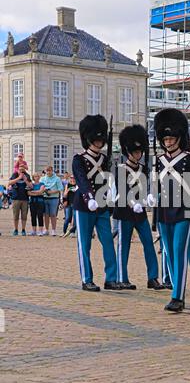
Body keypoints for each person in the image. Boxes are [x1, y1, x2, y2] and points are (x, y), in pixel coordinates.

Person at [152, 108, 190, 312]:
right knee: (169, 253)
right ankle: (176, 291)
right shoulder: (158, 161)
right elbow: (154, 184)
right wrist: (150, 195)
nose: (168, 142)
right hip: (163, 211)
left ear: (179, 138)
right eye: (166, 139)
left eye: (172, 138)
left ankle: (177, 296)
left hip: (184, 210)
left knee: (179, 251)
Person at [72, 114, 120, 292]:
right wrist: (89, 197)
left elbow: (106, 180)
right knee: (84, 244)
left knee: (108, 241)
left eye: (101, 138)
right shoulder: (79, 158)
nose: (99, 141)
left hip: (101, 205)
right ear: (88, 138)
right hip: (84, 205)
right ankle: (87, 279)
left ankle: (111, 278)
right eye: (96, 138)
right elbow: (82, 180)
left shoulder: (105, 159)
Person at [114, 124, 163, 290]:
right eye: (135, 152)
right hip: (125, 210)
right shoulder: (121, 168)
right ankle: (122, 277)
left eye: (139, 151)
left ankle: (153, 277)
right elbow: (123, 189)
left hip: (140, 211)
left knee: (149, 242)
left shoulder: (143, 168)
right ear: (128, 152)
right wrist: (133, 203)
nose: (138, 154)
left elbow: (146, 187)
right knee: (124, 245)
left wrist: (149, 196)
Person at [8, 164, 32, 236]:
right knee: (16, 215)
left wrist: (25, 180)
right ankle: (16, 229)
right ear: (18, 169)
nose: (21, 171)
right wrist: (18, 178)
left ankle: (23, 230)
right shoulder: (14, 175)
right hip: (16, 198)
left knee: (24, 216)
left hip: (25, 199)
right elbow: (9, 183)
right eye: (20, 169)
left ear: (24, 169)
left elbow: (31, 186)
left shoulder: (27, 175)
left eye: (23, 169)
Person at [40, 166, 63, 236]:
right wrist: (44, 190)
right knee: (46, 215)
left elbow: (60, 189)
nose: (48, 172)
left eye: (49, 170)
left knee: (53, 214)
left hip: (54, 198)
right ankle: (46, 229)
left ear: (52, 171)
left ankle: (53, 230)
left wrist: (51, 192)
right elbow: (40, 187)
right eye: (47, 171)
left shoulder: (57, 179)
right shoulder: (42, 178)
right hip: (44, 198)